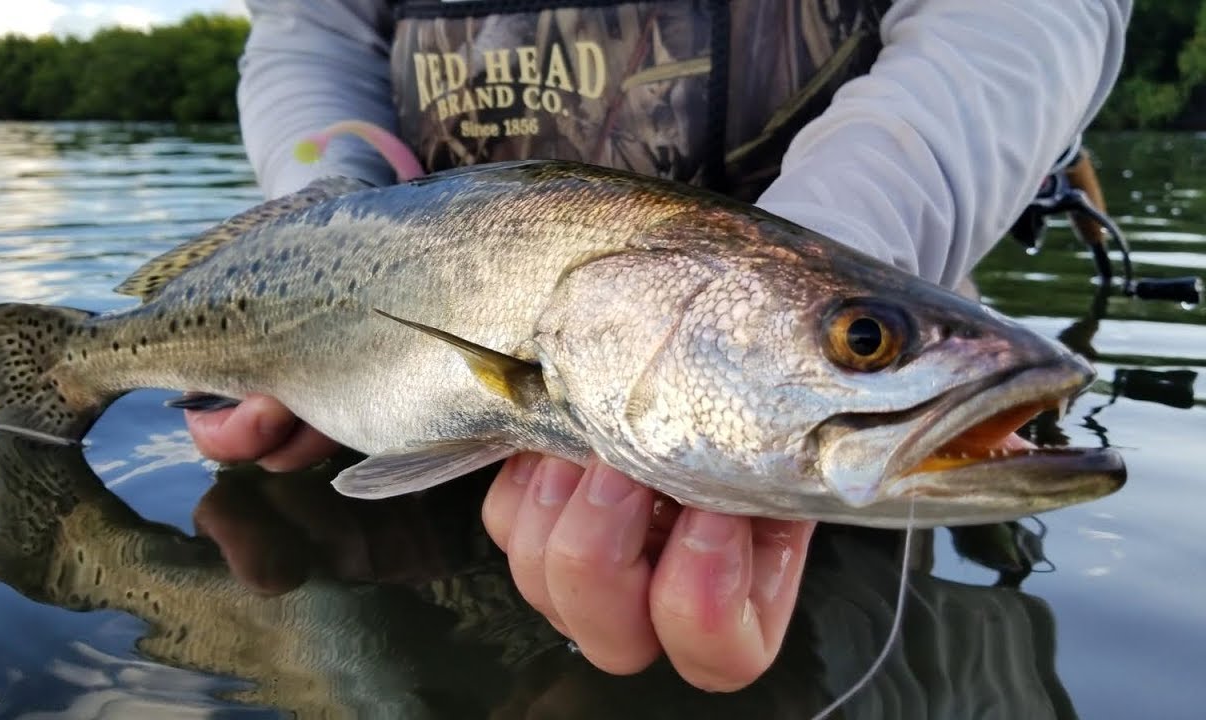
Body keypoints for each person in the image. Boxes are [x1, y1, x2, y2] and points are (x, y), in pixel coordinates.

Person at [186, 0, 1131, 694]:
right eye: (866, 342)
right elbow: (313, 32)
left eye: (861, 342)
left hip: (819, 335)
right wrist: (335, 217)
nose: (864, 345)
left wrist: (853, 231)